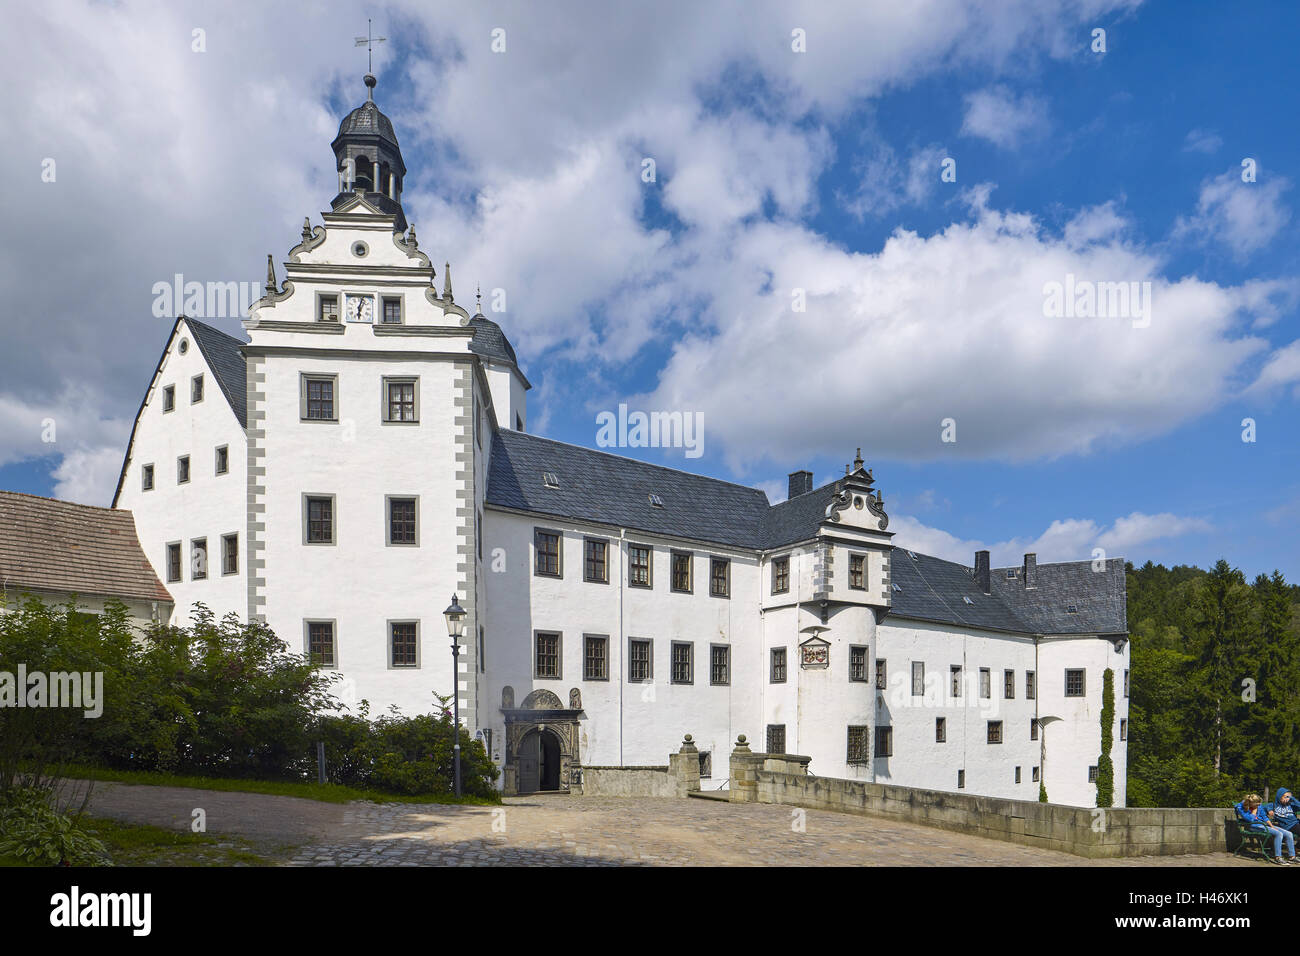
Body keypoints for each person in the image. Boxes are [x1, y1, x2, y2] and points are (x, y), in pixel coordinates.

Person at [1236, 792, 1297, 864]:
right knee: (1279, 834)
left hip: (1263, 825)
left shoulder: (1258, 806)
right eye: (1257, 804)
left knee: (1289, 834)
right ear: (1251, 803)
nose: (1259, 805)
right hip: (1254, 826)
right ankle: (1278, 857)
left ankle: (1292, 857)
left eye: (1259, 804)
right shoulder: (1241, 807)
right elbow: (1250, 820)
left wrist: (1272, 826)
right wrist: (1254, 811)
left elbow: (1265, 817)